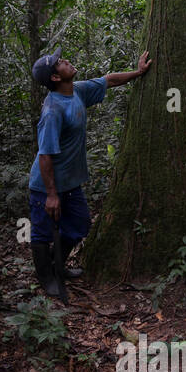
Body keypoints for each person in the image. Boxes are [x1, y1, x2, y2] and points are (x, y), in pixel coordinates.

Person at [27, 50, 153, 303]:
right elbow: (45, 155)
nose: (65, 61)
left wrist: (138, 72)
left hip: (71, 183)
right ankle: (47, 277)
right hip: (46, 186)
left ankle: (58, 264)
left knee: (80, 224)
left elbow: (109, 80)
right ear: (54, 77)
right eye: (60, 63)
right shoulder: (52, 111)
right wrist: (51, 195)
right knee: (42, 234)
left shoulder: (77, 91)